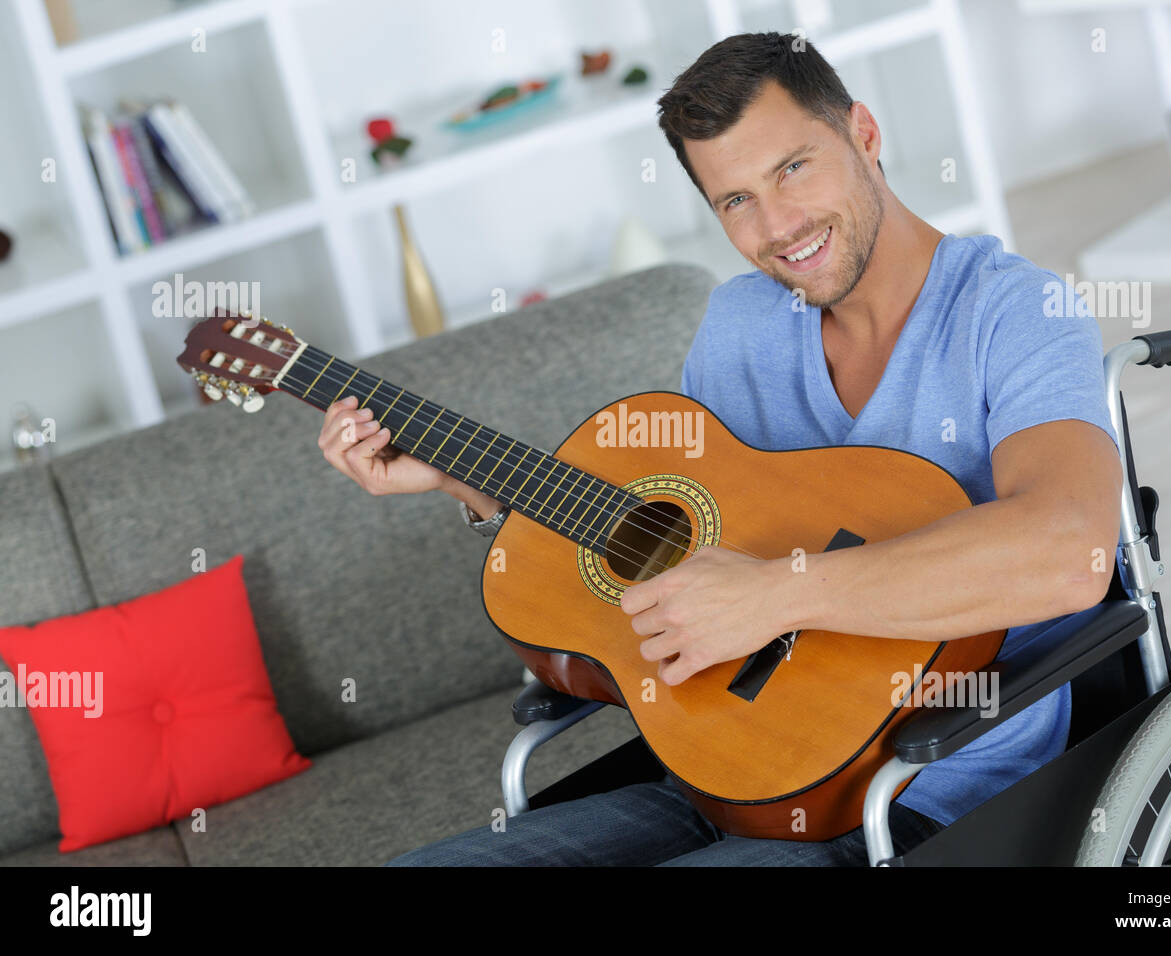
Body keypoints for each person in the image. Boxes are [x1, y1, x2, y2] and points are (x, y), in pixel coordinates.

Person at [318, 32, 1123, 866]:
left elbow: (1072, 552)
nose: (778, 226)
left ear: (865, 135)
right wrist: (461, 480)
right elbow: (672, 548)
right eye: (735, 201)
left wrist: (781, 595)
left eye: (792, 169)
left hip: (925, 799)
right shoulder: (739, 327)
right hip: (720, 771)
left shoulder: (1015, 312)